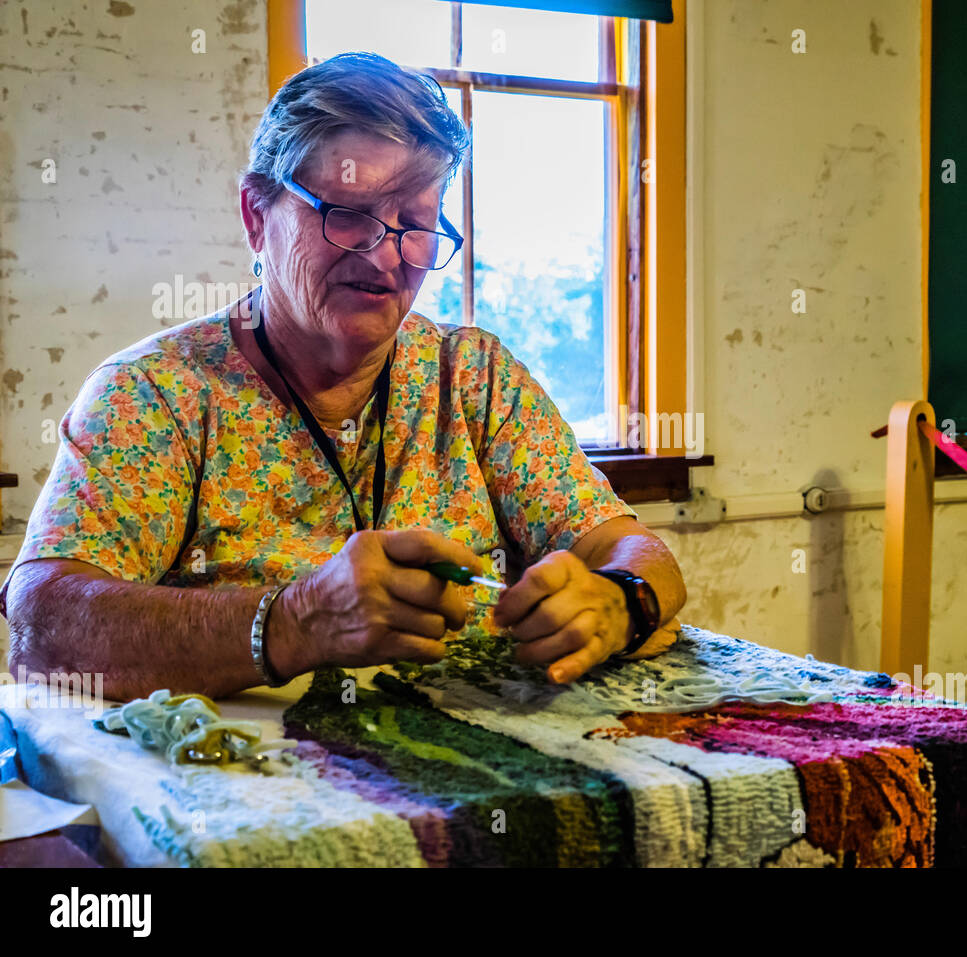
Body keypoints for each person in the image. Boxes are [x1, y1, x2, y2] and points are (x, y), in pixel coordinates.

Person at [1, 52, 685, 701]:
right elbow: (42, 624)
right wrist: (292, 622)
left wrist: (619, 601)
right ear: (255, 215)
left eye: (415, 223)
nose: (385, 256)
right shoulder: (157, 396)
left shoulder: (475, 379)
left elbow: (632, 548)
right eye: (349, 214)